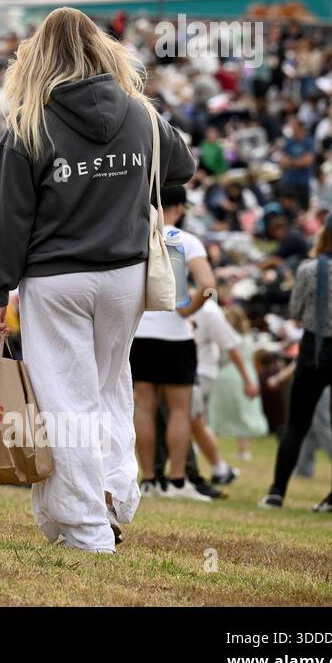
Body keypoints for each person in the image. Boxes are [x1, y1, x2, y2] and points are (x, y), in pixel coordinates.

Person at [0, 6, 195, 553]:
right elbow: (183, 165)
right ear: (102, 49)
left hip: (55, 280)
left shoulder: (30, 123)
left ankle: (85, 526)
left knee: (64, 403)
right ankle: (111, 495)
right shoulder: (139, 114)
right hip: (125, 275)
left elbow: (7, 217)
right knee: (109, 390)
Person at [260, 208, 332, 515]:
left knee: (297, 424)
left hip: (315, 351)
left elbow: (295, 311)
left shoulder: (310, 270)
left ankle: (276, 493)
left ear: (325, 234)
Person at [131, 185, 220, 501]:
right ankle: (178, 479)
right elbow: (208, 285)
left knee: (143, 406)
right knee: (180, 411)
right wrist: (189, 310)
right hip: (175, 335)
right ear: (180, 207)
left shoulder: (139, 234)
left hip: (141, 331)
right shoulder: (187, 240)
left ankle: (149, 479)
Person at [205, 304, 268, 462]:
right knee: (243, 413)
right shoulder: (248, 337)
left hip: (227, 375)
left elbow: (222, 357)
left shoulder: (228, 338)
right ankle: (243, 450)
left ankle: (207, 445)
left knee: (217, 412)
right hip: (247, 374)